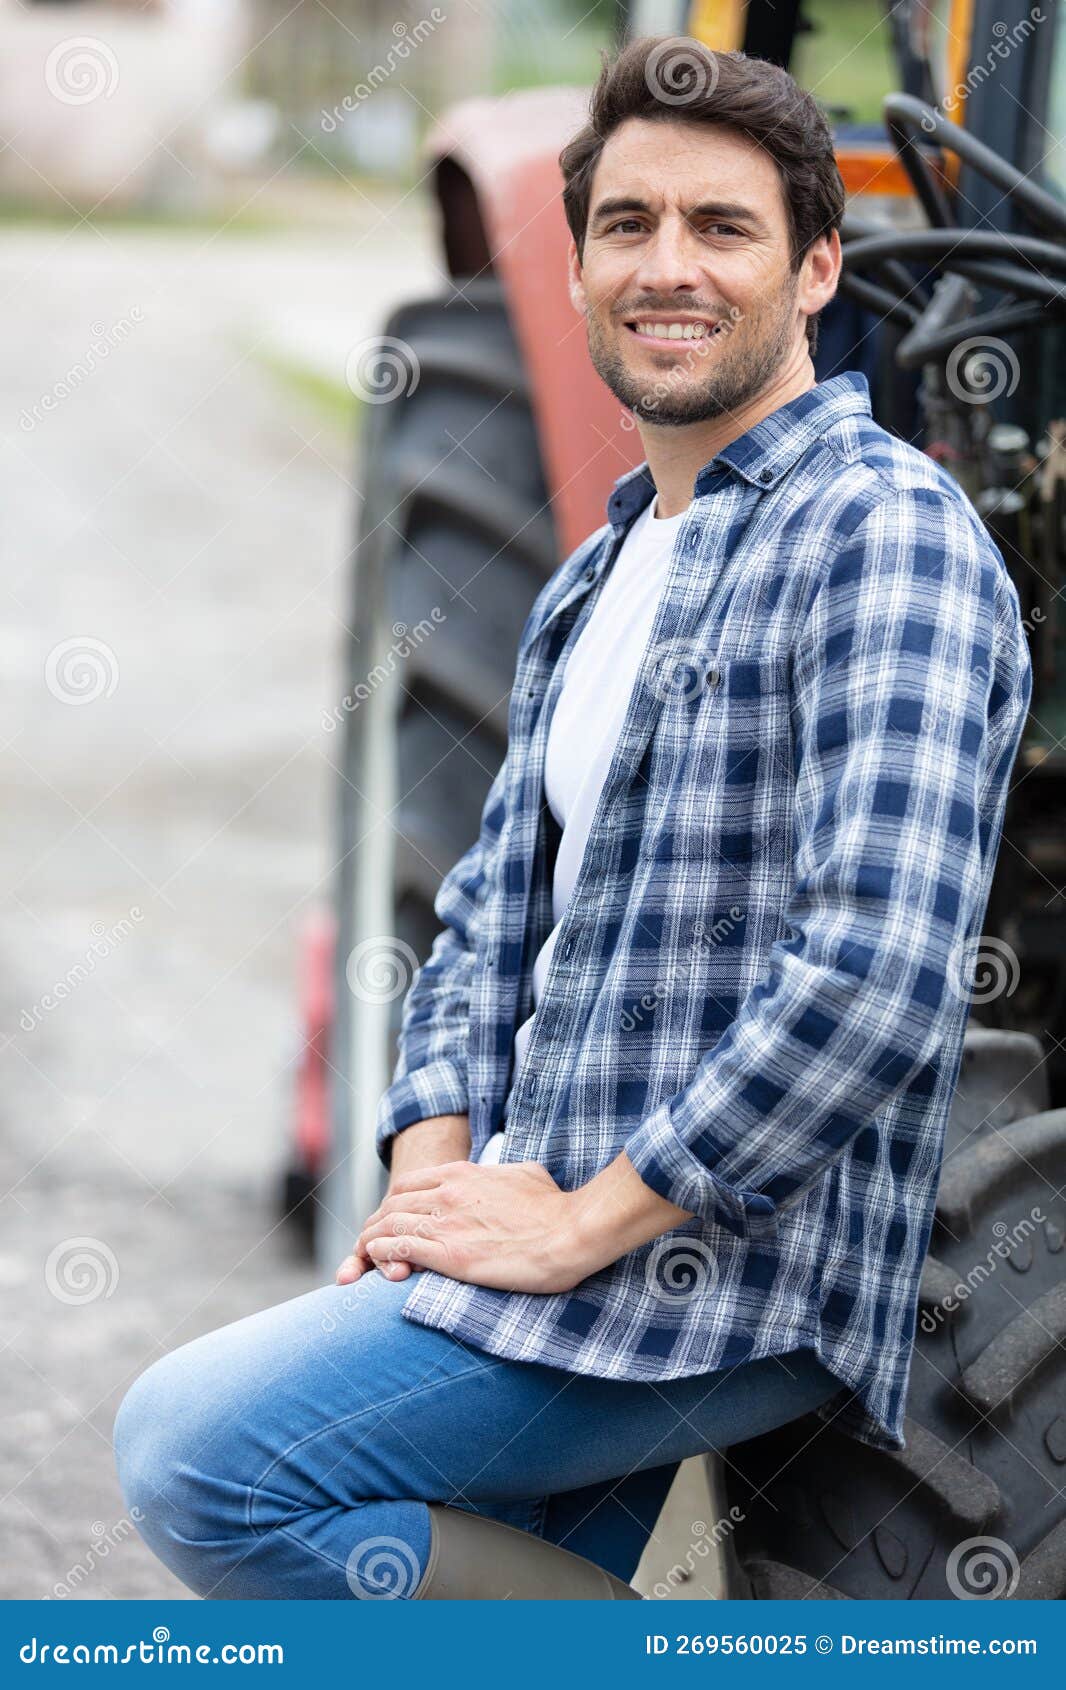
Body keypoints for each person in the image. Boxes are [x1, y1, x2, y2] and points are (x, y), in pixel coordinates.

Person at [114, 38, 1032, 1600]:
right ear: (583, 261)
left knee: (200, 1457)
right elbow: (480, 917)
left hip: (714, 1271)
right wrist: (434, 1164)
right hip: (547, 1232)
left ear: (816, 271)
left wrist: (584, 1223)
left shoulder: (882, 533)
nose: (664, 266)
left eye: (720, 229)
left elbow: (872, 969)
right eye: (626, 225)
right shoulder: (595, 577)